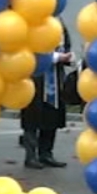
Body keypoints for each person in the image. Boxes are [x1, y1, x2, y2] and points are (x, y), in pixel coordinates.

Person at [20, 24, 74, 170]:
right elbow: (28, 47)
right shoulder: (33, 20)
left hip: (54, 76)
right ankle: (30, 156)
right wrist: (55, 57)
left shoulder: (59, 21)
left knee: (52, 115)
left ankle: (46, 153)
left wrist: (67, 55)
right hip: (35, 74)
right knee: (32, 116)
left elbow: (65, 43)